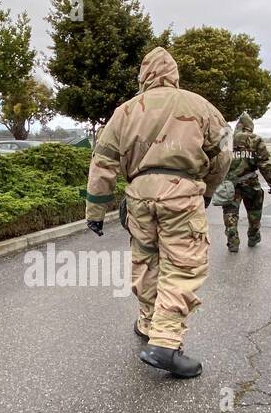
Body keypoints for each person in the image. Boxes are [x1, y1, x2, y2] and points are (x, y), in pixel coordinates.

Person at [84, 47, 228, 378]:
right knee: (182, 266)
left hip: (139, 195)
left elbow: (103, 160)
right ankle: (165, 343)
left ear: (143, 77)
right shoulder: (200, 106)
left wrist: (95, 209)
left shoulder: (125, 111)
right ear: (174, 75)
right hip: (182, 193)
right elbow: (222, 154)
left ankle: (149, 322)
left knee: (146, 260)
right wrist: (205, 188)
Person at [221, 111, 271, 252]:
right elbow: (264, 163)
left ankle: (232, 242)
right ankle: (253, 236)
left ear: (239, 126)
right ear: (250, 126)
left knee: (230, 213)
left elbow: (218, 162)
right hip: (250, 182)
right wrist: (270, 182)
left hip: (230, 184)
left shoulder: (227, 140)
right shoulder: (256, 139)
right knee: (254, 212)